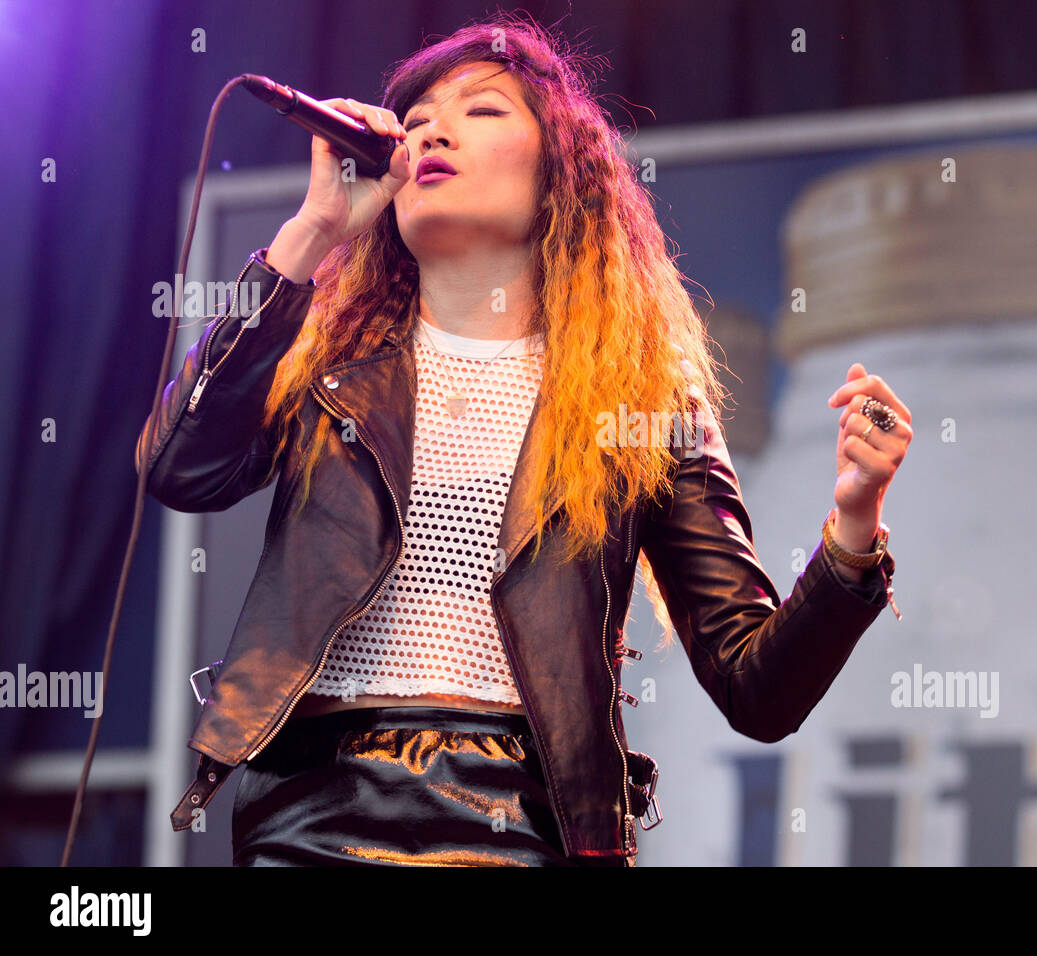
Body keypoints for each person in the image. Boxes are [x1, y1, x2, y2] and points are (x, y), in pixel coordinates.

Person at [136, 13, 912, 867]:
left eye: (482, 109)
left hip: (518, 818)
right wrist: (309, 237)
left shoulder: (642, 402)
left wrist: (852, 525)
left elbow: (758, 691)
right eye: (419, 113)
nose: (433, 126)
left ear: (560, 173)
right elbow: (181, 465)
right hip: (310, 810)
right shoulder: (327, 365)